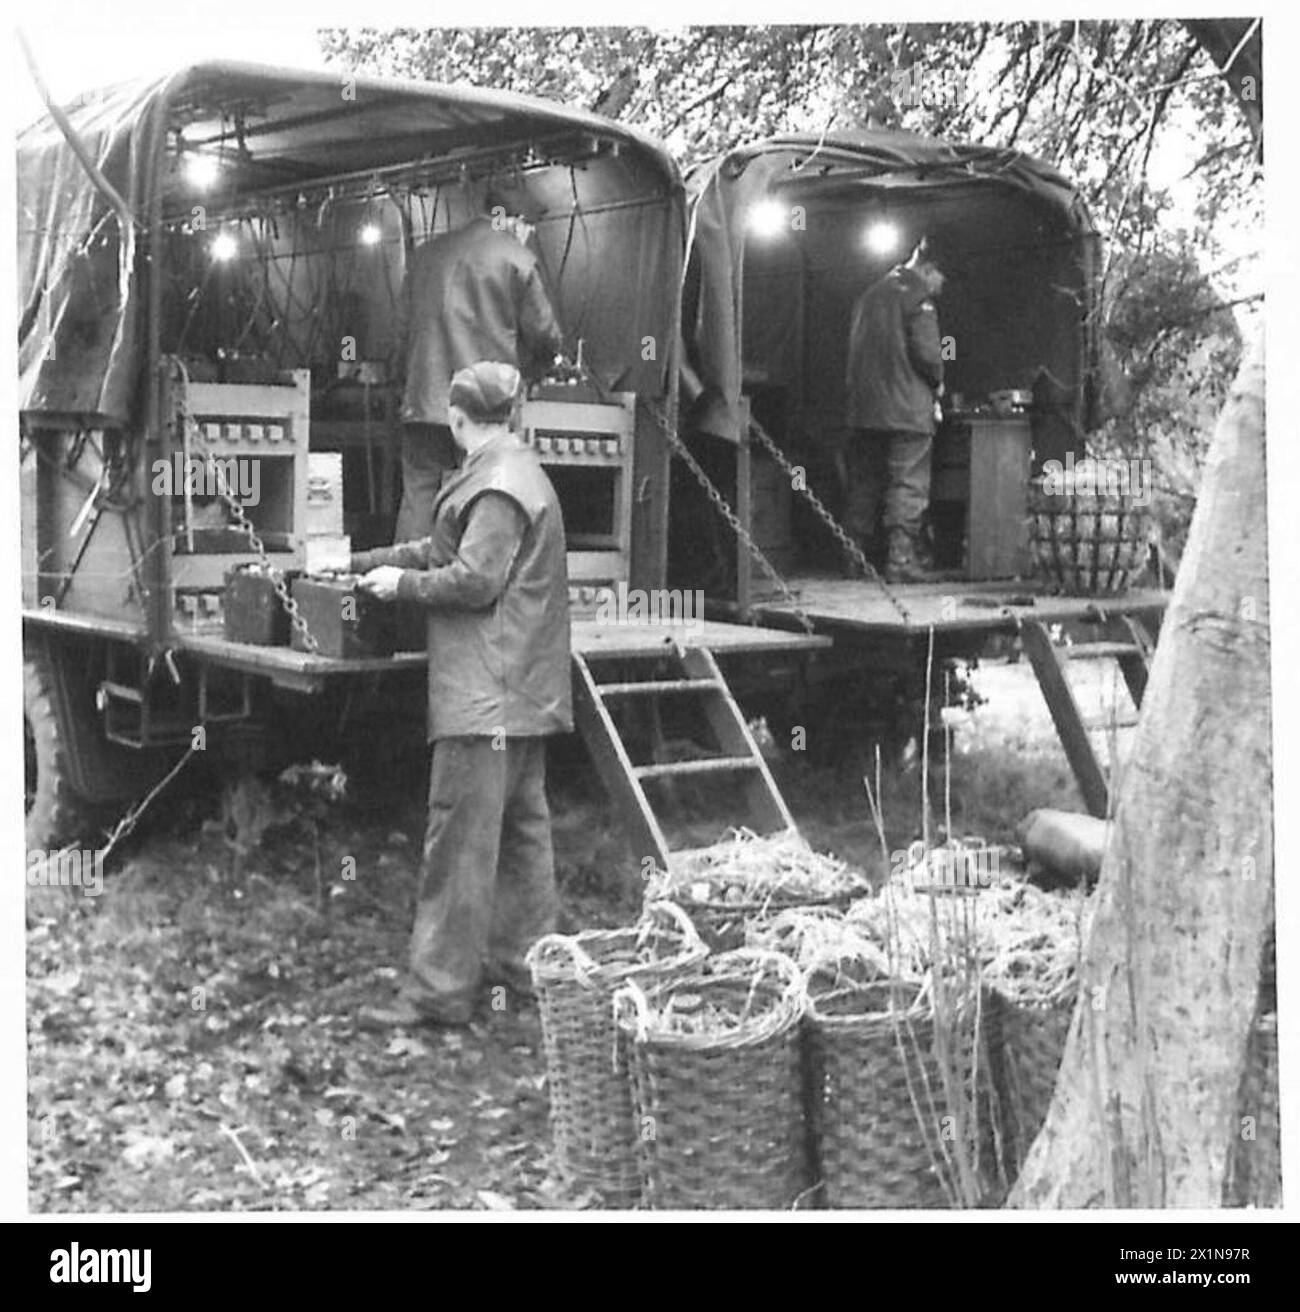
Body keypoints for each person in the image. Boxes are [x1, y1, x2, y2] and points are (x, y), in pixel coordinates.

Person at [352, 361, 573, 1028]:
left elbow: (475, 579)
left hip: (485, 694)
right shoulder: (510, 469)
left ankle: (438, 993)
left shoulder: (498, 485)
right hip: (521, 692)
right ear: (512, 412)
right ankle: (524, 970)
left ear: (454, 418)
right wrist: (364, 562)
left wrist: (400, 588)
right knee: (522, 841)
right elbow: (442, 545)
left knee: (459, 847)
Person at [392, 180, 565, 541]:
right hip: (484, 408)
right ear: (514, 220)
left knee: (420, 496)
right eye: (528, 226)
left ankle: (403, 585)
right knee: (485, 495)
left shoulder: (426, 255)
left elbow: (401, 335)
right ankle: (467, 586)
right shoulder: (517, 259)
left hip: (424, 402)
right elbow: (546, 337)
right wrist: (534, 373)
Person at [843, 238, 946, 583]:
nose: (940, 288)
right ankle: (900, 561)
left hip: (865, 410)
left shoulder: (869, 294)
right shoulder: (919, 299)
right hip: (906, 410)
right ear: (929, 270)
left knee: (864, 483)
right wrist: (938, 384)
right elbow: (930, 356)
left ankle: (853, 557)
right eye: (940, 280)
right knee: (908, 483)